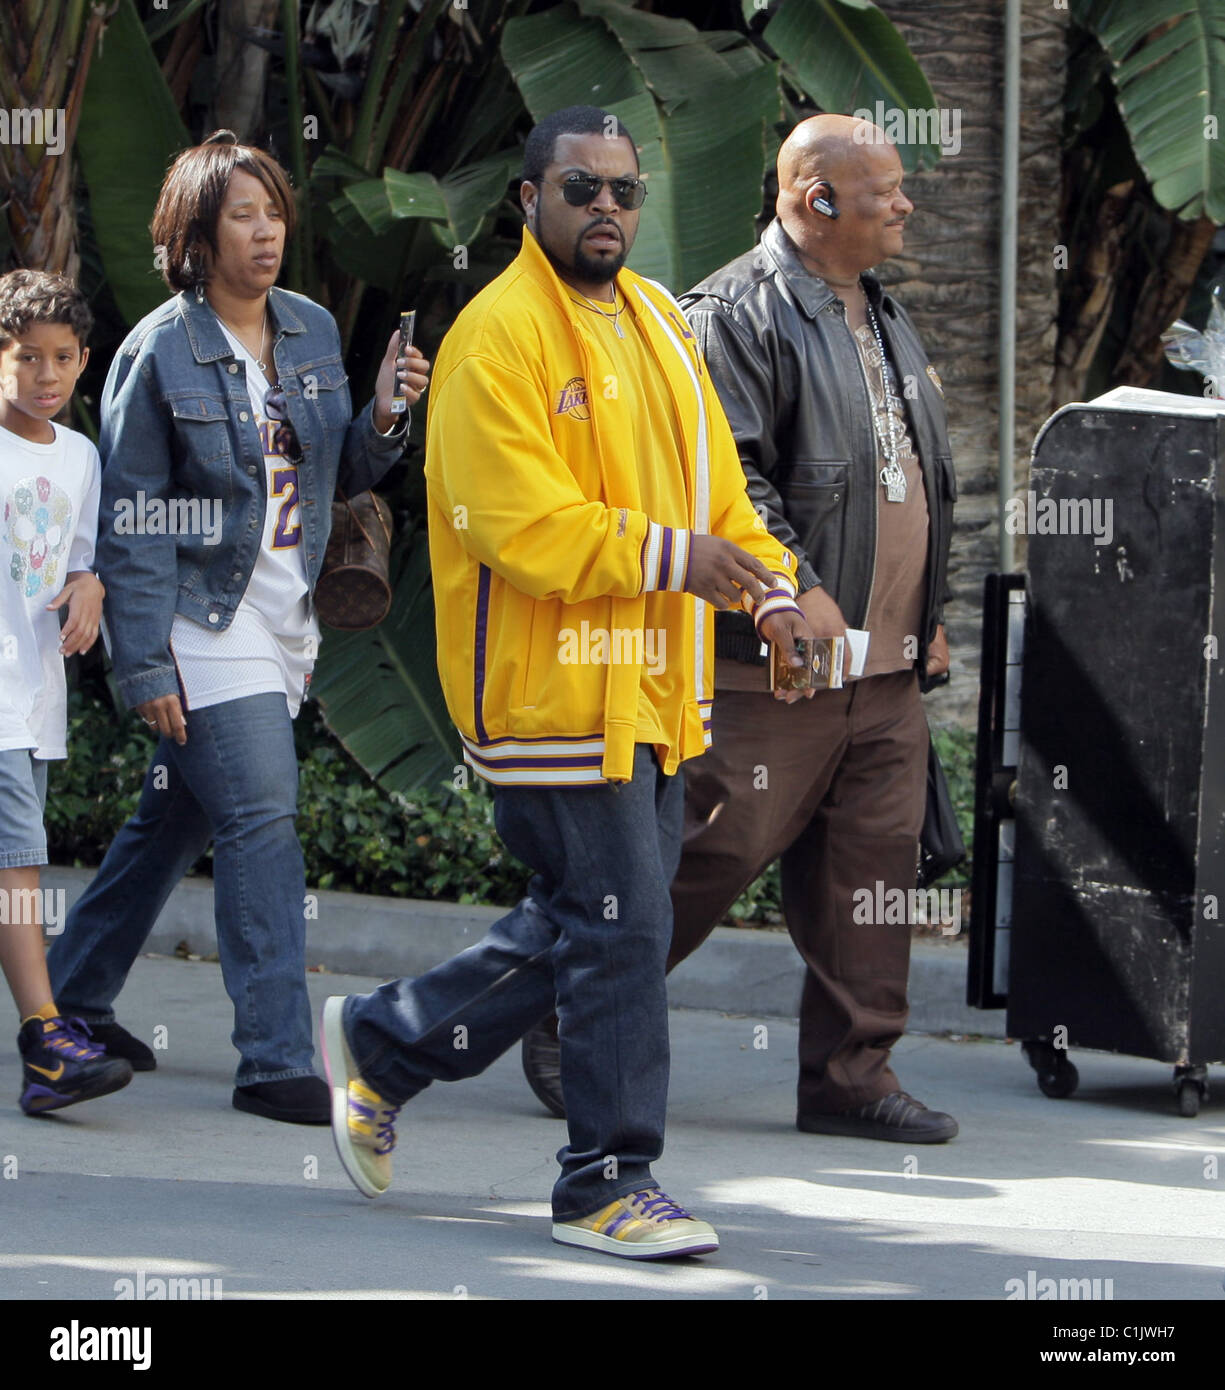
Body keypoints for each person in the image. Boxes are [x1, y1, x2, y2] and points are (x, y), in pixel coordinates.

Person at [320, 105, 816, 1260]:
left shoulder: (654, 317)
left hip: (650, 693)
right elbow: (513, 522)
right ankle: (605, 1176)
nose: (607, 209)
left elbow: (716, 491)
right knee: (622, 926)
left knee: (589, 921)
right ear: (529, 200)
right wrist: (676, 560)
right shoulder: (496, 336)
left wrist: (772, 592)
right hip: (548, 698)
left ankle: (388, 1046)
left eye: (623, 192)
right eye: (582, 188)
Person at [522, 114, 959, 1143]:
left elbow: (912, 478)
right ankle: (558, 1005)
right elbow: (731, 486)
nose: (903, 204)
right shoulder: (735, 311)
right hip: (776, 662)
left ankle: (852, 1076)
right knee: (701, 856)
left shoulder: (883, 312)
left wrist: (921, 618)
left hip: (881, 669)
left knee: (870, 876)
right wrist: (792, 589)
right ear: (815, 201)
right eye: (884, 189)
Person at [46, 132, 429, 1125]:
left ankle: (67, 1001)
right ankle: (272, 1056)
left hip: (285, 614)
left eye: (273, 215)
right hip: (202, 618)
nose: (265, 234)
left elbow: (339, 479)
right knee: (260, 815)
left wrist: (384, 417)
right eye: (242, 218)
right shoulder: (159, 350)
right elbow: (128, 520)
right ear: (197, 234)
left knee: (173, 816)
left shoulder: (303, 329)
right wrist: (143, 662)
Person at [0, 269, 133, 1115]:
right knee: (17, 861)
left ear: (84, 361)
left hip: (37, 696)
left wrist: (90, 590)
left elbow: (80, 560)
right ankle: (46, 1039)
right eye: (26, 358)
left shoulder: (81, 457)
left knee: (14, 860)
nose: (47, 375)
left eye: (63, 358)